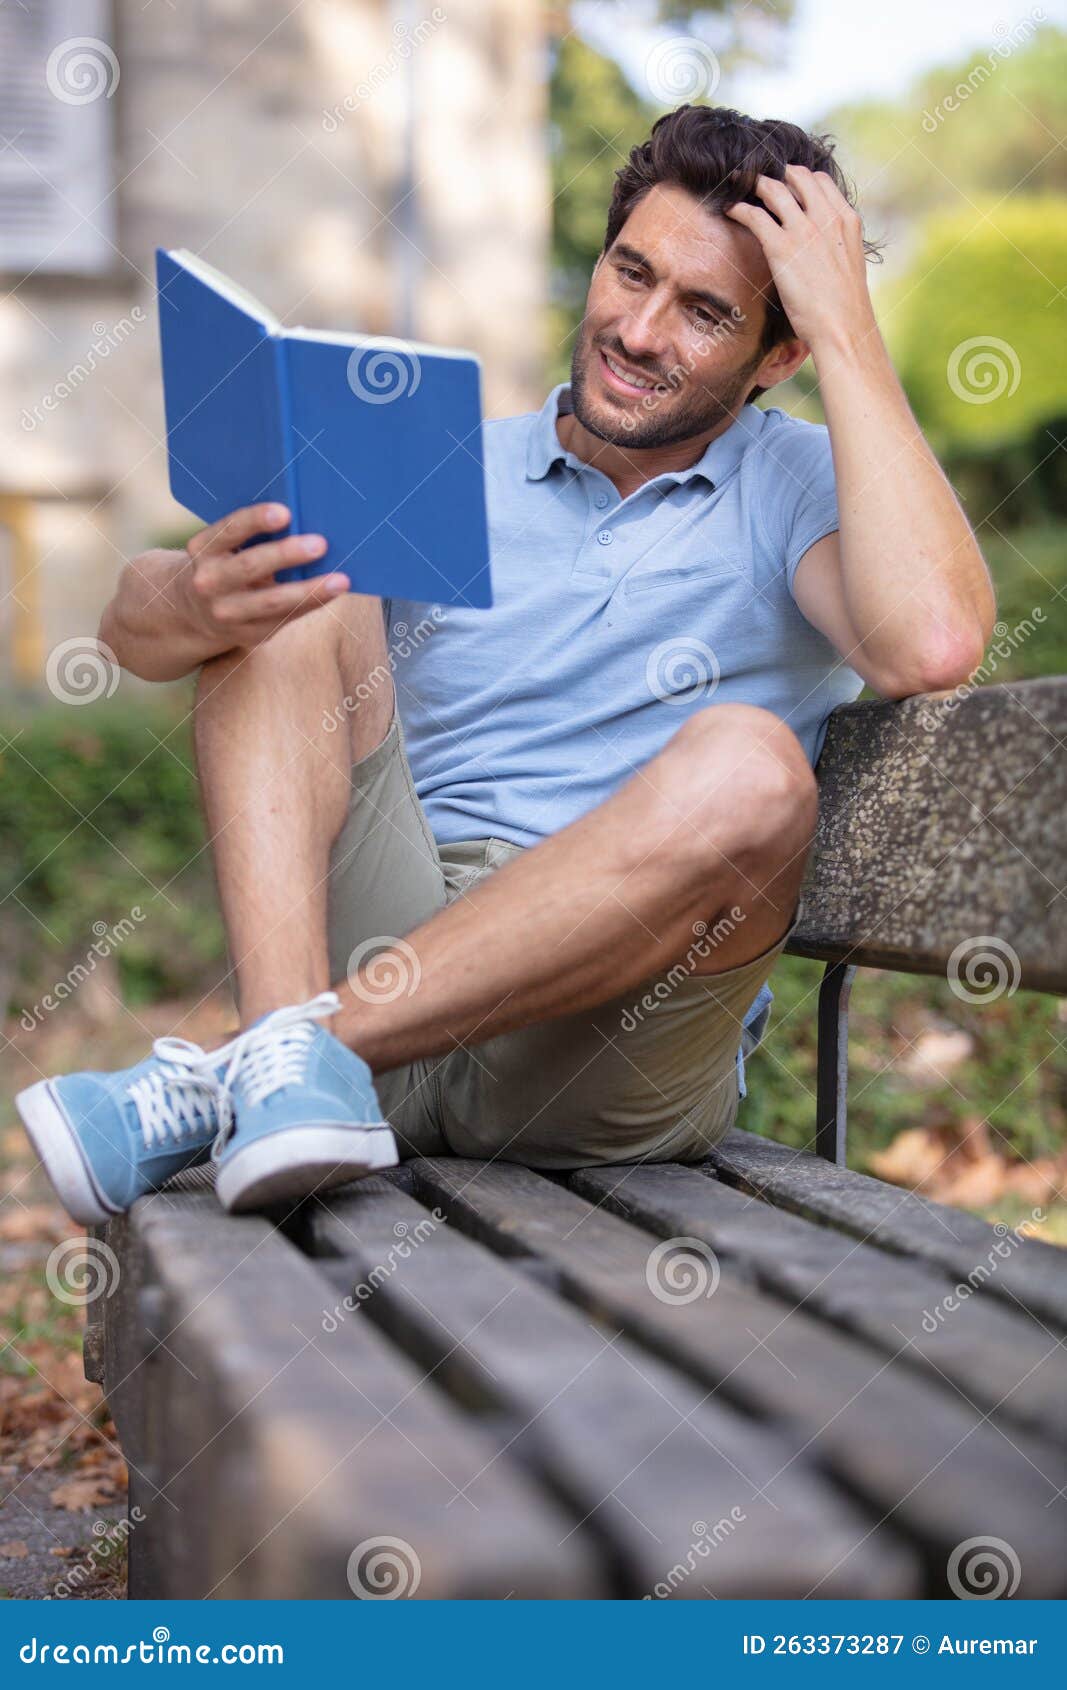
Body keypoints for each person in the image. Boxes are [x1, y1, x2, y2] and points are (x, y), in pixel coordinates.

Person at [18, 104, 994, 1223]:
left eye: (703, 312)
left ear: (780, 352)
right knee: (292, 590)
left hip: (603, 1032)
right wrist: (197, 596)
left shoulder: (805, 487)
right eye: (630, 273)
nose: (637, 330)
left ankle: (264, 1061)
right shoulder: (443, 459)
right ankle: (289, 1076)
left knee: (753, 766)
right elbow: (129, 632)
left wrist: (850, 335)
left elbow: (931, 644)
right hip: (388, 940)